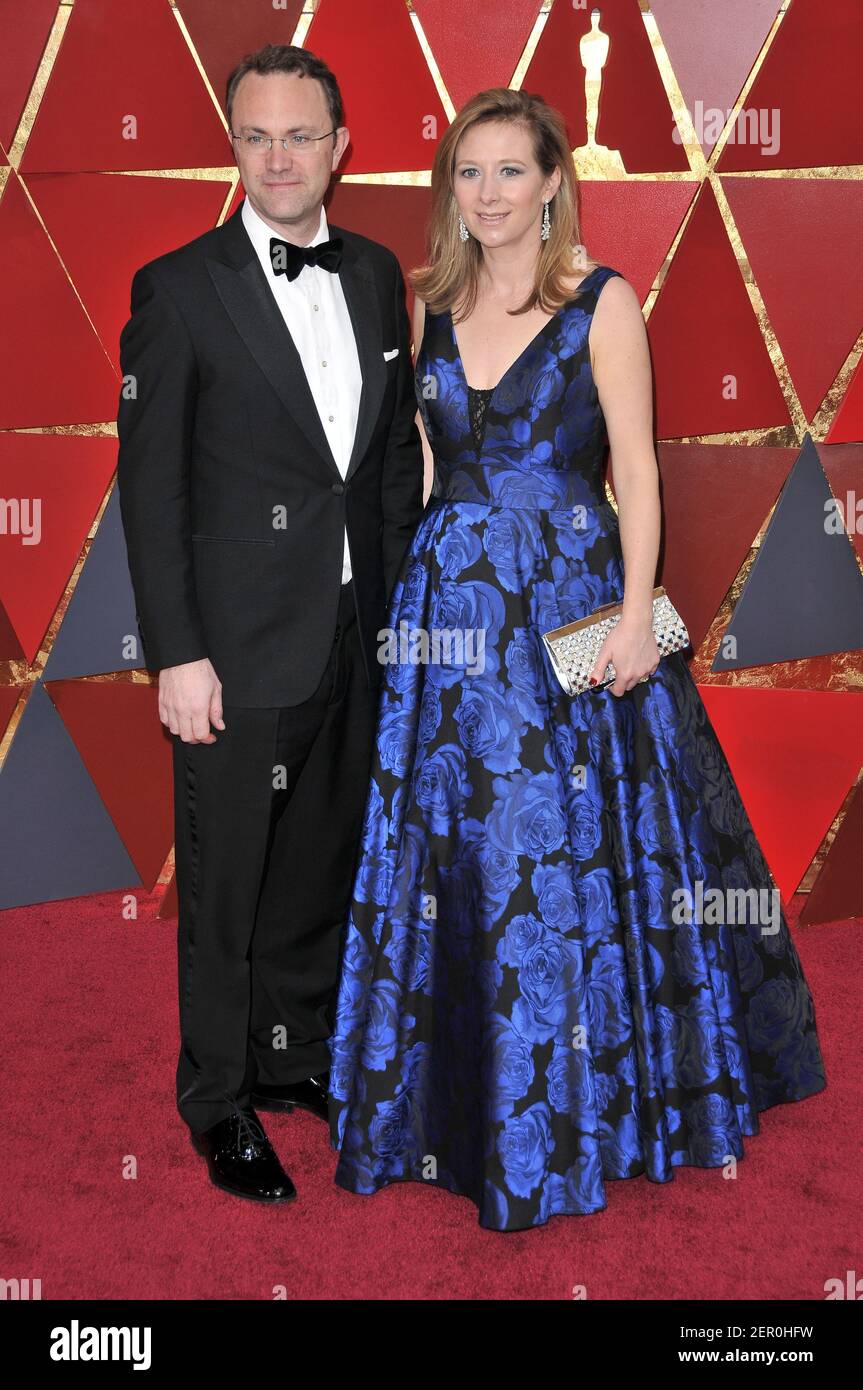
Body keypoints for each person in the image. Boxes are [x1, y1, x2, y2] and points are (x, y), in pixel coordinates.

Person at [327, 88, 827, 1232]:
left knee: (577, 850)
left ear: (553, 181)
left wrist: (635, 615)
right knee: (457, 849)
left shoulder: (602, 305)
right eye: (469, 172)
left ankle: (596, 1093)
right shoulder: (429, 308)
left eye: (511, 171)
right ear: (448, 188)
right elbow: (416, 461)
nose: (489, 194)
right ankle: (450, 1095)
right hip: (449, 614)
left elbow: (637, 472)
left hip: (571, 603)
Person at [116, 43, 424, 1202]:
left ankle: (294, 1057)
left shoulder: (375, 272)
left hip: (354, 632)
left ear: (341, 148)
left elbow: (387, 460)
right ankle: (216, 1099)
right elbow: (153, 491)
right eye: (258, 135)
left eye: (303, 135)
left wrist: (394, 618)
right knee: (228, 882)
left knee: (316, 866)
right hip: (234, 652)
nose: (280, 157)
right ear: (232, 147)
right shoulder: (179, 287)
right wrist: (178, 652)